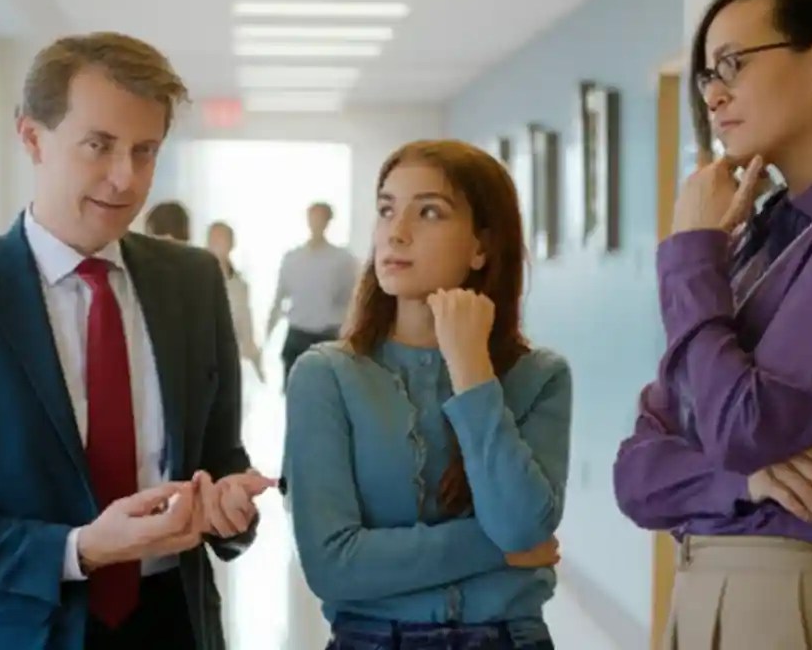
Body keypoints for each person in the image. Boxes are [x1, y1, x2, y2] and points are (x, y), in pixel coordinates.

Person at [0, 31, 276, 650]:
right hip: (15, 632)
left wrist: (230, 508)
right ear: (32, 137)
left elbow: (219, 458)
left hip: (171, 626)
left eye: (145, 151)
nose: (125, 178)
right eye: (99, 145)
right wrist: (82, 549)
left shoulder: (194, 282)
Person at [613, 0, 812, 649]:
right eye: (705, 77)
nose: (714, 95)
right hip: (706, 586)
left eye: (733, 65)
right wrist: (744, 477)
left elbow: (751, 426)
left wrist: (691, 253)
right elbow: (638, 473)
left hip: (803, 594)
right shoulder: (760, 233)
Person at [284, 140, 572, 650]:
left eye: (430, 212)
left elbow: (520, 525)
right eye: (386, 210)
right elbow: (333, 566)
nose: (396, 232)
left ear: (481, 246)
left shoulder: (541, 376)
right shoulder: (325, 375)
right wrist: (501, 551)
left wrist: (472, 370)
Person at [267, 202, 357, 386]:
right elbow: (279, 297)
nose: (316, 222)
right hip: (297, 334)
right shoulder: (293, 258)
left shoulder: (342, 260)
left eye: (321, 218)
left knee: (326, 391)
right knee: (294, 389)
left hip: (328, 335)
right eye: (313, 217)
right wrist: (268, 333)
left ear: (328, 221)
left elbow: (351, 300)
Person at [206, 221, 264, 383]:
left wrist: (257, 365)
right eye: (212, 239)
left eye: (221, 239)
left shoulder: (240, 286)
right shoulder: (194, 278)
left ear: (231, 244)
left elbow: (245, 324)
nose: (216, 245)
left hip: (229, 359)